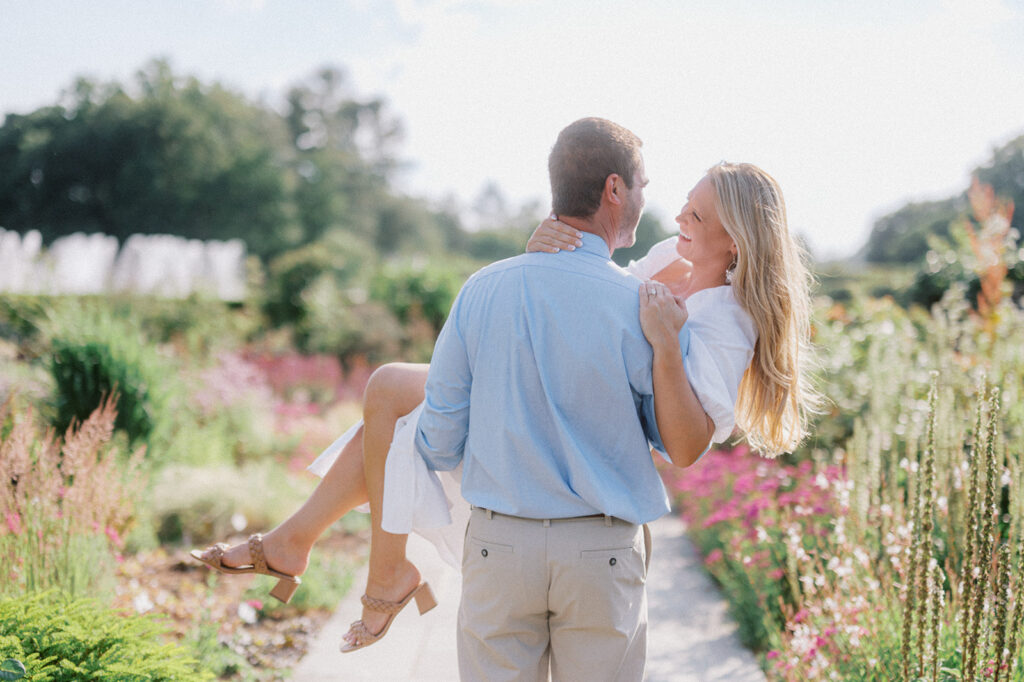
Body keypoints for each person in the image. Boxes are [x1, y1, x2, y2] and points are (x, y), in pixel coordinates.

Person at [191, 123, 817, 666]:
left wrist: (658, 343)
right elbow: (586, 299)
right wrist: (542, 251)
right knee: (387, 398)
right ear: (614, 190)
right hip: (582, 521)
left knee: (394, 407)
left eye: (696, 215)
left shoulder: (725, 324)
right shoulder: (664, 260)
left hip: (561, 499)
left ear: (733, 240)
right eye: (680, 201)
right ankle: (328, 554)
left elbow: (680, 442)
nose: (677, 216)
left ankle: (357, 565)